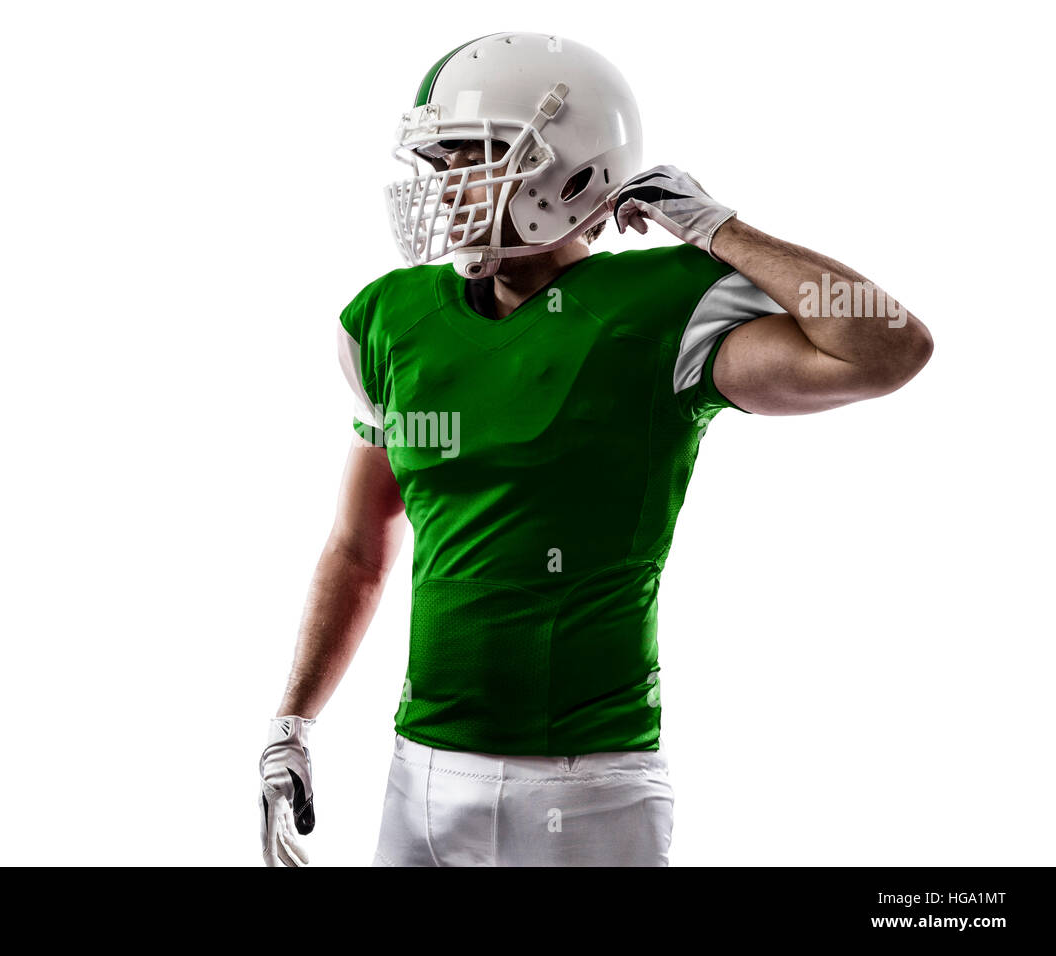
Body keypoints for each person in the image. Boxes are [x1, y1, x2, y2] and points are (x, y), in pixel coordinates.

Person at [259, 32, 933, 867]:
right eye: (440, 165)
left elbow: (886, 350)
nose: (446, 188)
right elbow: (359, 549)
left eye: (473, 158)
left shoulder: (656, 307)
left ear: (569, 167)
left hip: (589, 785)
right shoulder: (390, 318)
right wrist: (294, 720)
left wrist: (721, 230)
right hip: (418, 774)